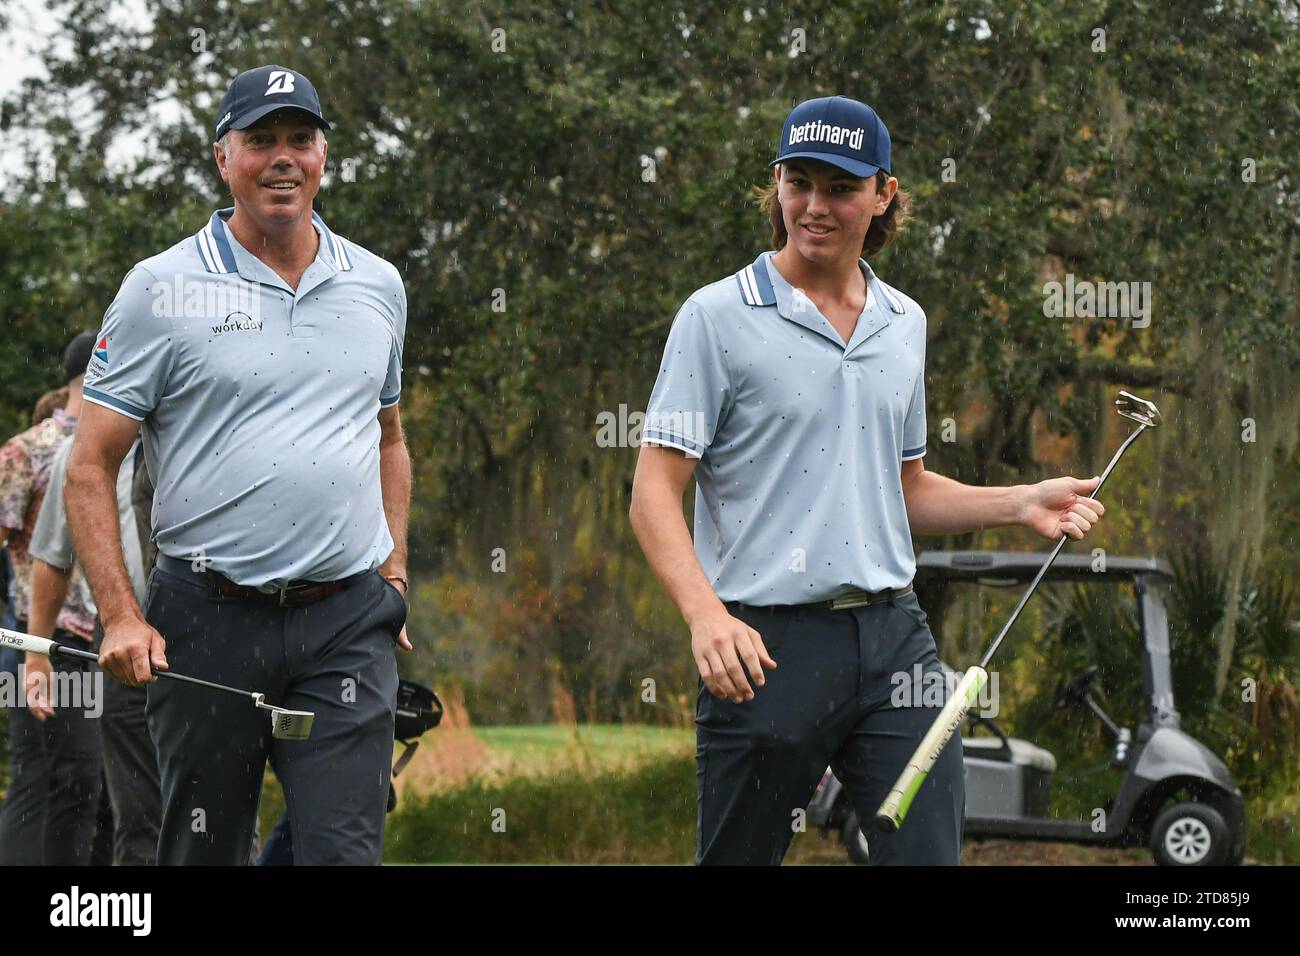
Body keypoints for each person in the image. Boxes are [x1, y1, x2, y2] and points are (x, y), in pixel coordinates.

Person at [629, 96, 1106, 866]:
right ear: (777, 183)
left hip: (895, 647)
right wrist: (703, 616)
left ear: (883, 194)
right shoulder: (714, 317)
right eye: (799, 182)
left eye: (840, 187)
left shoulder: (902, 322)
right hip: (763, 646)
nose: (814, 207)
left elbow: (905, 488)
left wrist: (1020, 502)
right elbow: (653, 492)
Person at [65, 64, 412, 866]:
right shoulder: (161, 289)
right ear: (224, 157)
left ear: (324, 154)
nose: (282, 157)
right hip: (206, 621)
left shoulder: (378, 285)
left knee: (343, 853)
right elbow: (91, 464)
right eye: (260, 141)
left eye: (300, 138)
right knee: (205, 851)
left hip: (346, 624)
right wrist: (120, 614)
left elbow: (390, 437)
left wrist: (393, 571)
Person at [27, 434, 157, 864]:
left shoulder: (205, 422)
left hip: (211, 639)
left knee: (223, 807)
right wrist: (36, 653)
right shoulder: (84, 445)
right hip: (121, 649)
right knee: (138, 814)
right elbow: (52, 556)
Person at [0, 331, 97, 864]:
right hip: (42, 644)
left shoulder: (124, 446)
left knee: (85, 786)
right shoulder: (26, 450)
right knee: (50, 781)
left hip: (106, 641)